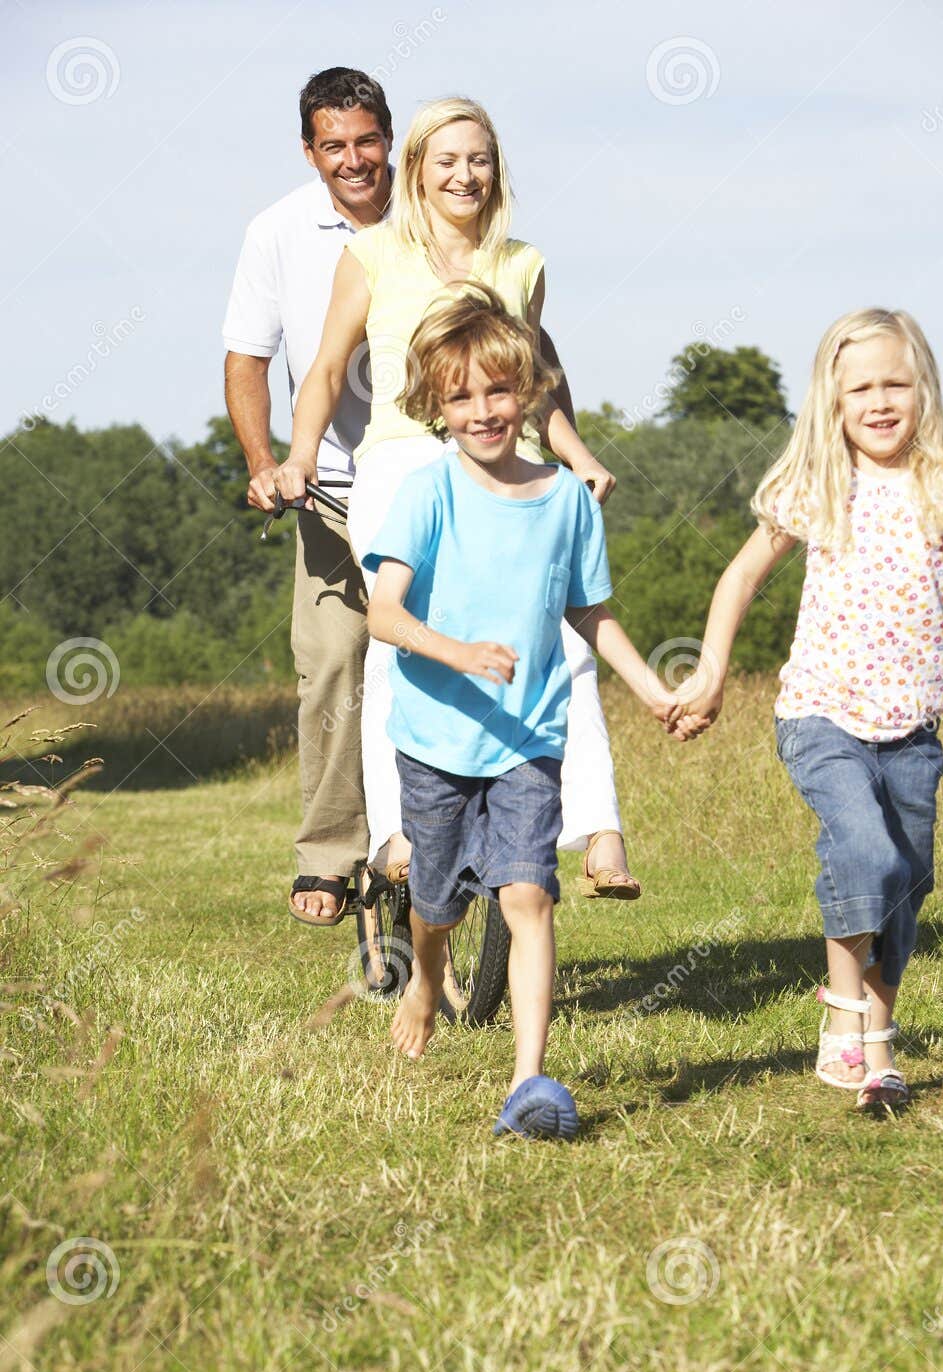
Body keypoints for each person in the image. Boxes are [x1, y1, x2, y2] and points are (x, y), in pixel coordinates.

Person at [671, 307, 943, 1110]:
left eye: (895, 384)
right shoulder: (817, 483)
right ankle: (843, 1014)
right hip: (820, 715)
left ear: (923, 390)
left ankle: (875, 1049)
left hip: (910, 730)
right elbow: (738, 579)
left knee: (905, 885)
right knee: (866, 856)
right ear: (831, 403)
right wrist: (710, 674)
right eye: (860, 388)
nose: (879, 401)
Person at [276, 96, 642, 901]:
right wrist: (299, 456)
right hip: (403, 462)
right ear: (417, 171)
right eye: (445, 160)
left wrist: (576, 454)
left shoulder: (522, 262)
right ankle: (397, 831)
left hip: (509, 460)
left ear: (496, 169)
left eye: (478, 159)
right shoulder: (373, 254)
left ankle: (598, 829)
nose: (464, 174)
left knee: (564, 639)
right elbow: (328, 370)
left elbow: (537, 381)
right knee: (396, 638)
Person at [361, 287, 702, 1133]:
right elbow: (384, 613)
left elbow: (590, 613)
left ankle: (530, 1082)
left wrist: (654, 691)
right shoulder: (427, 491)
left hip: (527, 738)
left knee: (528, 897)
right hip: (437, 737)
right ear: (434, 406)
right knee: (436, 901)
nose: (483, 411)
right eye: (461, 397)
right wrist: (458, 652)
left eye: (498, 392)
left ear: (529, 391)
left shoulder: (566, 501)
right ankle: (426, 982)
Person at [223, 67, 393, 926]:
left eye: (367, 141)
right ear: (310, 151)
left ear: (389, 139)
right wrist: (265, 462)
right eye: (335, 146)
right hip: (327, 484)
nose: (354, 160)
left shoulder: (434, 209)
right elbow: (248, 358)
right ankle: (329, 853)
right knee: (333, 663)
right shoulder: (278, 231)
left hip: (439, 480)